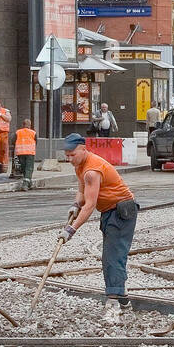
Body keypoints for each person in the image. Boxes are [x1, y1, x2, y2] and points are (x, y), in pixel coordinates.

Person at [62, 133, 138, 318]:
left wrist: (71, 229)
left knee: (113, 257)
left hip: (121, 211)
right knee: (111, 256)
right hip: (110, 211)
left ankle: (113, 303)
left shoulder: (92, 170)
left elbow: (90, 205)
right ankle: (123, 300)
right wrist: (75, 205)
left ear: (83, 149)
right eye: (67, 155)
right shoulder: (80, 166)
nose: (69, 159)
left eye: (73, 154)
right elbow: (82, 192)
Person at [14, 119, 37, 191]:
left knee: (24, 168)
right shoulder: (33, 133)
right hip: (30, 153)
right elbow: (36, 141)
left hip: (20, 152)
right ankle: (25, 185)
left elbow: (12, 141)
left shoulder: (18, 132)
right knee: (29, 169)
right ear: (30, 126)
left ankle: (29, 183)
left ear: (23, 125)